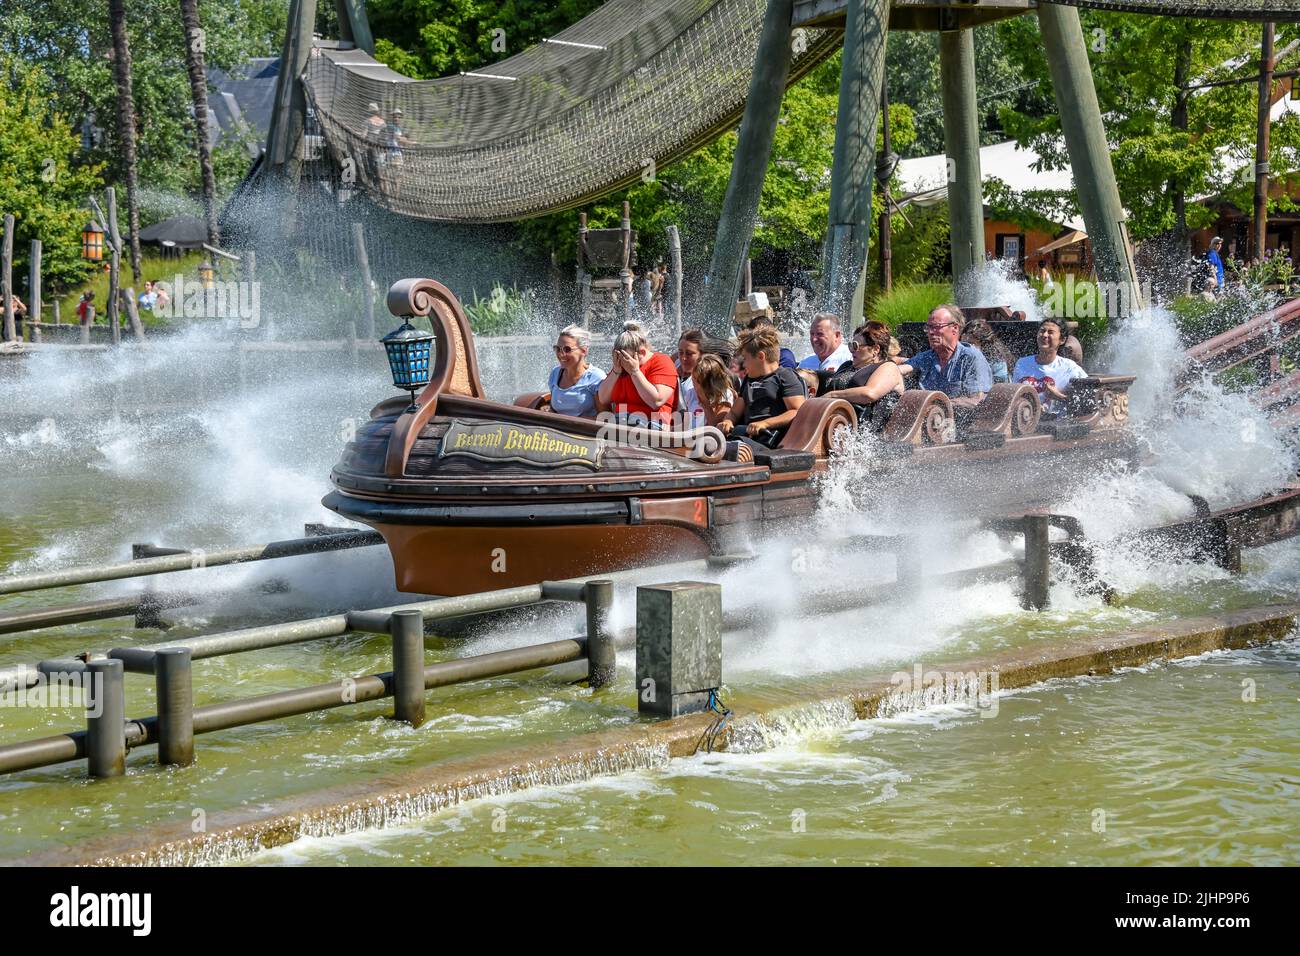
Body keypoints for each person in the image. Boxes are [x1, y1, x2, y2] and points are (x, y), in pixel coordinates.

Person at [721, 325, 807, 450]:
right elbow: (734, 412)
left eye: (745, 359)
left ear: (761, 356)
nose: (743, 364)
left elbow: (797, 411)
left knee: (734, 448)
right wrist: (728, 421)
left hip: (771, 441)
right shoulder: (749, 379)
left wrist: (765, 423)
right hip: (747, 437)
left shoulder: (785, 376)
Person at [900, 304, 992, 409]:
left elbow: (978, 399)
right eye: (929, 327)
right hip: (930, 419)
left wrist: (940, 405)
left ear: (954, 328)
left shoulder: (970, 357)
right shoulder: (927, 357)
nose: (930, 332)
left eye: (936, 327)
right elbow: (901, 370)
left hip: (965, 422)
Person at [821, 320, 904, 427]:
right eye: (850, 345)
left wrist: (832, 395)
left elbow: (869, 394)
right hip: (834, 422)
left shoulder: (888, 368)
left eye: (855, 346)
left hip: (861, 431)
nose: (851, 350)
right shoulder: (847, 366)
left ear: (875, 349)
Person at [596, 320, 678, 428]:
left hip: (653, 425)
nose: (623, 363)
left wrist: (635, 372)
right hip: (622, 423)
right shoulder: (621, 365)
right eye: (619, 358)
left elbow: (656, 401)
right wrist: (616, 371)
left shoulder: (662, 362)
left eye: (625, 358)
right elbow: (603, 398)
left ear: (642, 353)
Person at [1013, 317, 1087, 418]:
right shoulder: (1022, 364)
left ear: (1062, 340)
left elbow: (1088, 399)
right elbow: (1014, 396)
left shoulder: (1070, 368)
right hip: (1026, 422)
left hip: (1058, 425)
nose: (1044, 335)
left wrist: (1059, 396)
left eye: (1050, 332)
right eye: (1042, 331)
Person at [546, 324, 605, 418]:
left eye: (567, 349)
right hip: (557, 430)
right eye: (558, 349)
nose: (561, 354)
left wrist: (576, 423)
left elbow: (605, 418)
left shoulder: (596, 377)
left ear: (584, 350)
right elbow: (553, 409)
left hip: (584, 431)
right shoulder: (555, 373)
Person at [961, 317, 1014, 384]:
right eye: (963, 344)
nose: (966, 348)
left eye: (971, 344)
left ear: (983, 344)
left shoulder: (997, 363)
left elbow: (999, 390)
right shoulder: (960, 358)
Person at [689, 353, 735, 428]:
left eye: (699, 381)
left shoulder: (724, 394)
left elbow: (716, 427)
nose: (694, 382)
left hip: (710, 436)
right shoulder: (691, 393)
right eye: (693, 377)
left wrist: (705, 403)